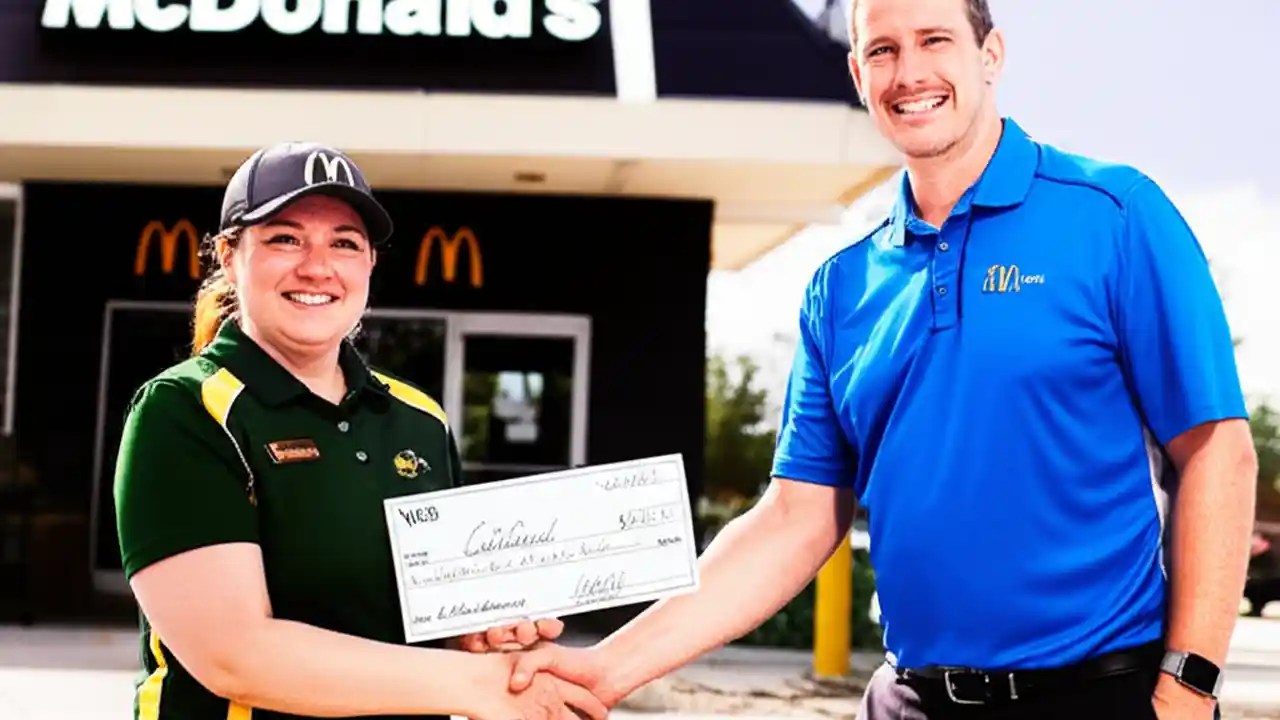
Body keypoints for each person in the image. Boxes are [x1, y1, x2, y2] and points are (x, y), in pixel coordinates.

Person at [507, 0, 1258, 718]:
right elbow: (795, 519)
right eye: (882, 50)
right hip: (907, 700)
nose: (909, 73)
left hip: (1096, 696)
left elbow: (1218, 451)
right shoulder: (841, 288)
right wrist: (605, 668)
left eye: (935, 40)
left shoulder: (1114, 213)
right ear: (860, 77)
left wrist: (1188, 686)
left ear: (990, 55)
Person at [112, 141, 605, 720]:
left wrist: (481, 634)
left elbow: (432, 623)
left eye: (344, 243)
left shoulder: (419, 418)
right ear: (228, 254)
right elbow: (234, 655)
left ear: (370, 263)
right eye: (285, 238)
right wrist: (473, 683)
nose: (317, 266)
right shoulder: (184, 409)